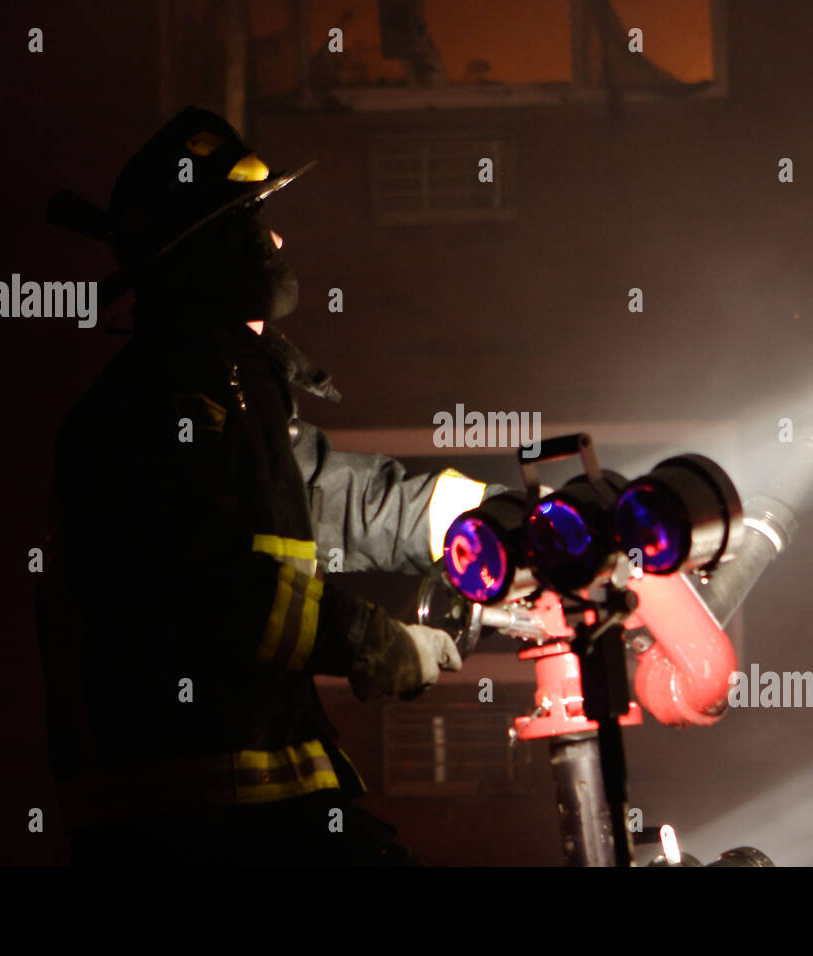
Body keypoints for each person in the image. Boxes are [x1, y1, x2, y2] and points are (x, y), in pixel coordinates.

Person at [36, 107, 504, 865]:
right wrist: (372, 642)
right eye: (254, 226)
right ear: (206, 256)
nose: (277, 241)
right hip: (201, 821)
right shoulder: (173, 399)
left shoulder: (217, 389)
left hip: (238, 806)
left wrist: (491, 521)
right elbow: (224, 593)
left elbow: (331, 498)